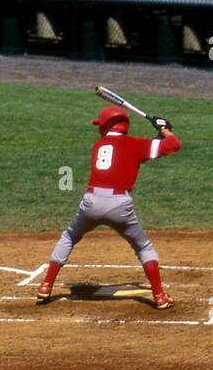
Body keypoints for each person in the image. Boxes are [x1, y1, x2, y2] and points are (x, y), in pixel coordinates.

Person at [36, 105, 181, 309]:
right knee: (143, 247)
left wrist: (159, 134)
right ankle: (159, 296)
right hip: (119, 207)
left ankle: (45, 285)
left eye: (100, 124)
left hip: (91, 203)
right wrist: (164, 129)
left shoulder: (99, 145)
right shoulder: (135, 145)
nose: (99, 128)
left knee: (69, 237)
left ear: (107, 126)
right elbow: (173, 144)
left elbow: (132, 151)